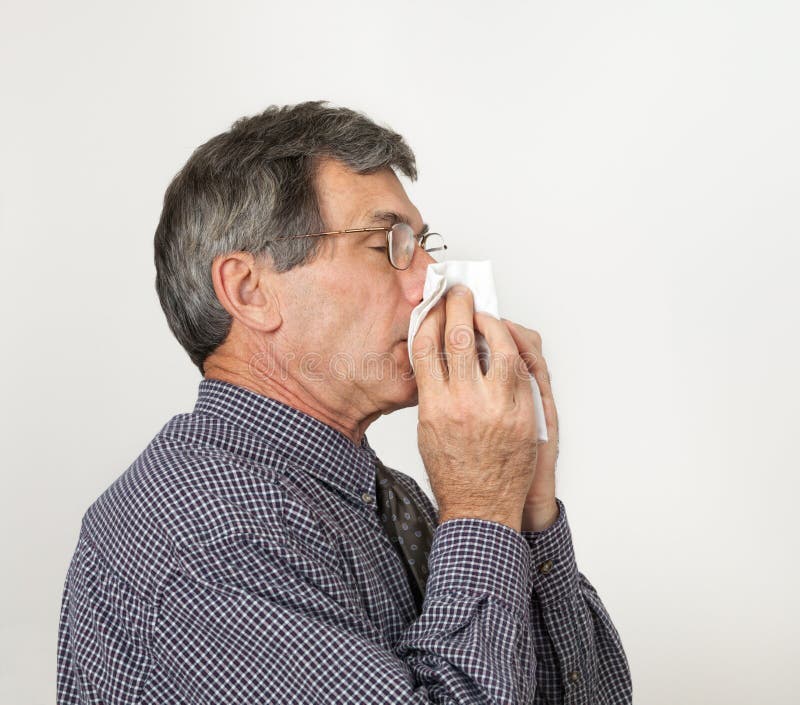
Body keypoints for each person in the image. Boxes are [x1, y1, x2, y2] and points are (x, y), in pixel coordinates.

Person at [56, 100, 631, 704]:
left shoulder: (391, 499)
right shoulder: (207, 537)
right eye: (390, 245)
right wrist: (482, 510)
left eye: (424, 245)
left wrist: (524, 511)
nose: (430, 280)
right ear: (250, 291)